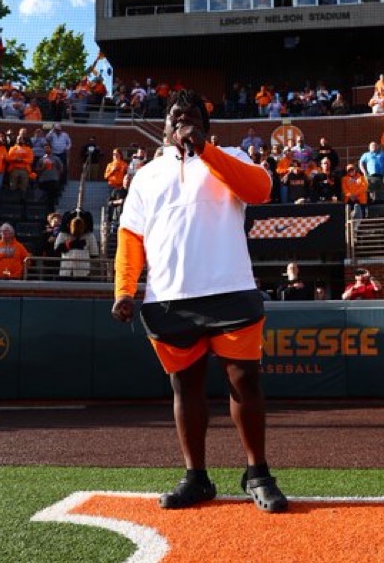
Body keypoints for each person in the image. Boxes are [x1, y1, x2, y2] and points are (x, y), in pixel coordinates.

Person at [111, 89, 287, 513]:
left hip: (231, 291)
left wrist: (205, 150)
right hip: (168, 298)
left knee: (244, 382)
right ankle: (196, 477)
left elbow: (261, 189)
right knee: (185, 388)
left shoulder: (231, 156)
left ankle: (257, 473)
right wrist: (123, 289)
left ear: (205, 125)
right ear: (166, 127)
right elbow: (130, 237)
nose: (181, 122)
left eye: (190, 116)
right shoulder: (147, 174)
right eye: (175, 117)